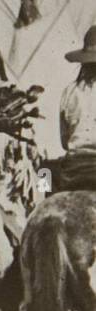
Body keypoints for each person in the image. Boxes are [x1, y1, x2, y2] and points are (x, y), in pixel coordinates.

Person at [51, 25, 96, 192]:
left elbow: (64, 141)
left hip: (73, 168)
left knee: (43, 171)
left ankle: (37, 207)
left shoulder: (69, 91)